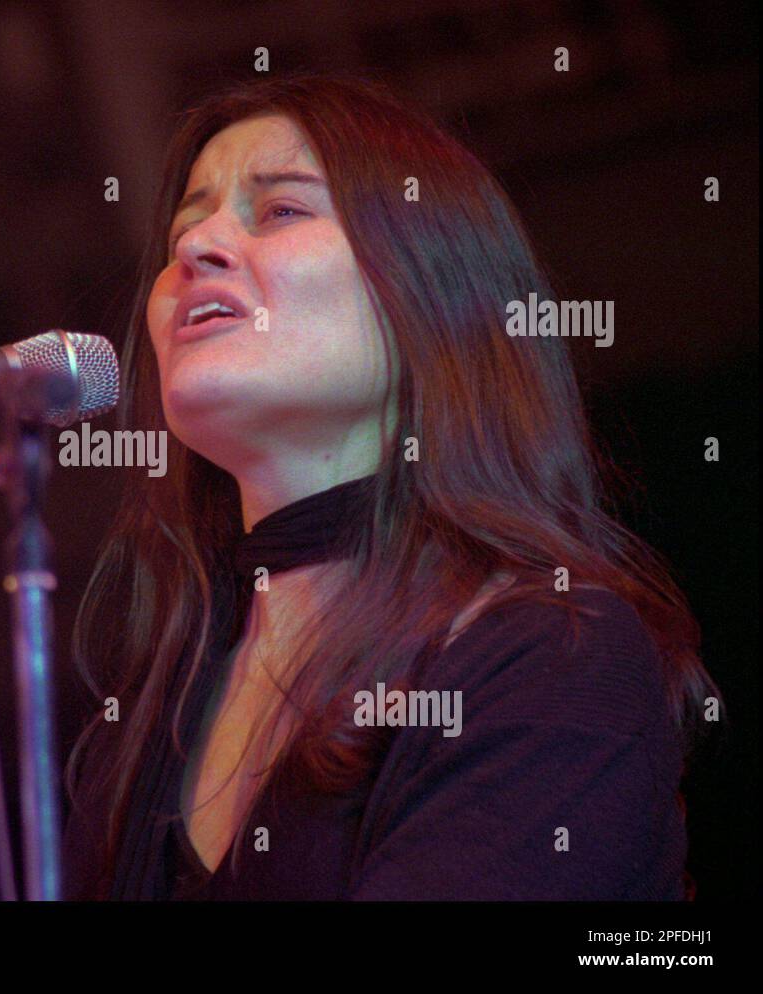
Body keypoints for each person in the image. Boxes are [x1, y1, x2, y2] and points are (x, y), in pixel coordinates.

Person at [60, 72, 718, 900]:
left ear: (429, 298)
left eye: (283, 211)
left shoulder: (553, 653)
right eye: (185, 227)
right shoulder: (162, 702)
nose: (195, 248)